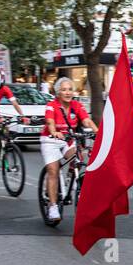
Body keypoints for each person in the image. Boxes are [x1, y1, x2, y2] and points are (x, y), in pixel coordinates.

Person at [41, 77, 96, 222]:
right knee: (53, 170)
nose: (67, 92)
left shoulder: (76, 105)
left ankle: (72, 182)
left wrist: (98, 132)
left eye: (70, 89)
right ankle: (53, 206)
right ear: (58, 92)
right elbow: (50, 121)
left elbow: (86, 120)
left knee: (78, 157)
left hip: (68, 139)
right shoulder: (51, 105)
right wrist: (54, 132)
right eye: (64, 90)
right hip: (51, 140)